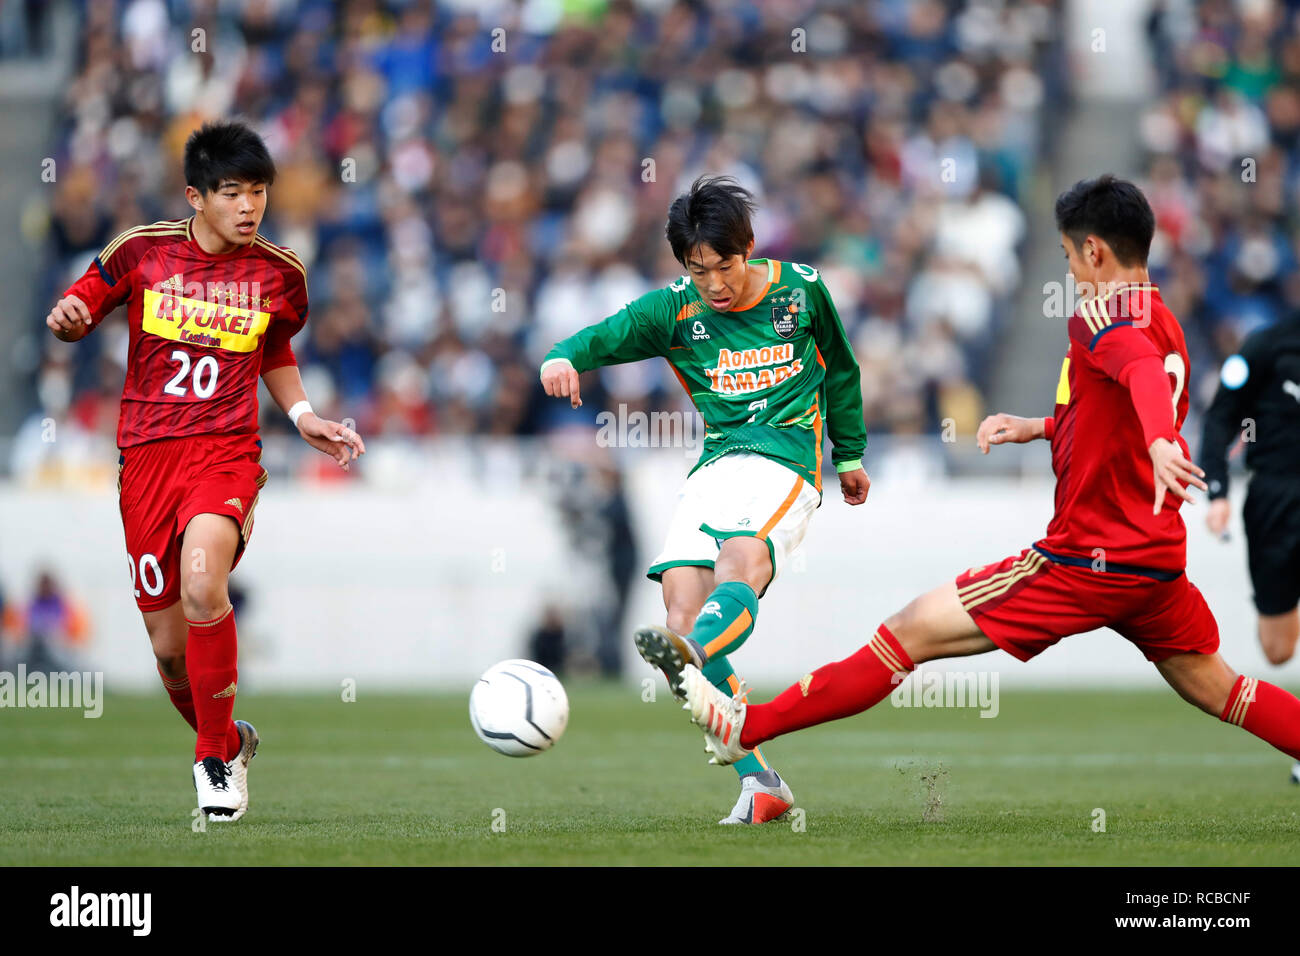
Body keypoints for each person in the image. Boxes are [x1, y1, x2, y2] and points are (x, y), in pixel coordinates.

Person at [679, 176, 1300, 797]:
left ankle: (748, 728)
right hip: (1154, 561)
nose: (1069, 272)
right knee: (1224, 688)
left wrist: (1163, 439)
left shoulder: (1099, 314)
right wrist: (1039, 427)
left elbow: (1136, 373)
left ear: (1094, 252)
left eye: (1066, 256)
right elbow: (1122, 407)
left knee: (907, 631)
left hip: (1087, 559)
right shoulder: (1163, 318)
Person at [44, 119, 364, 820]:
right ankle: (228, 739)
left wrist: (304, 414)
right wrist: (70, 317)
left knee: (202, 582)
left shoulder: (281, 275)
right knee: (167, 649)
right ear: (196, 196)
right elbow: (83, 301)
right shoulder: (142, 253)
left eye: (258, 193)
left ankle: (211, 761)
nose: (249, 207)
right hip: (146, 458)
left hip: (224, 452)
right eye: (231, 193)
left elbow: (275, 350)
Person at [540, 175, 869, 824]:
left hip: (786, 464)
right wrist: (561, 357)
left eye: (725, 266)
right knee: (680, 617)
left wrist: (850, 453)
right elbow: (601, 337)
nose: (714, 284)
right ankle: (761, 780)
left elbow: (843, 366)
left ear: (749, 248)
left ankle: (701, 654)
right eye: (699, 271)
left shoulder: (801, 290)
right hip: (716, 466)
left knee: (739, 565)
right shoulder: (674, 309)